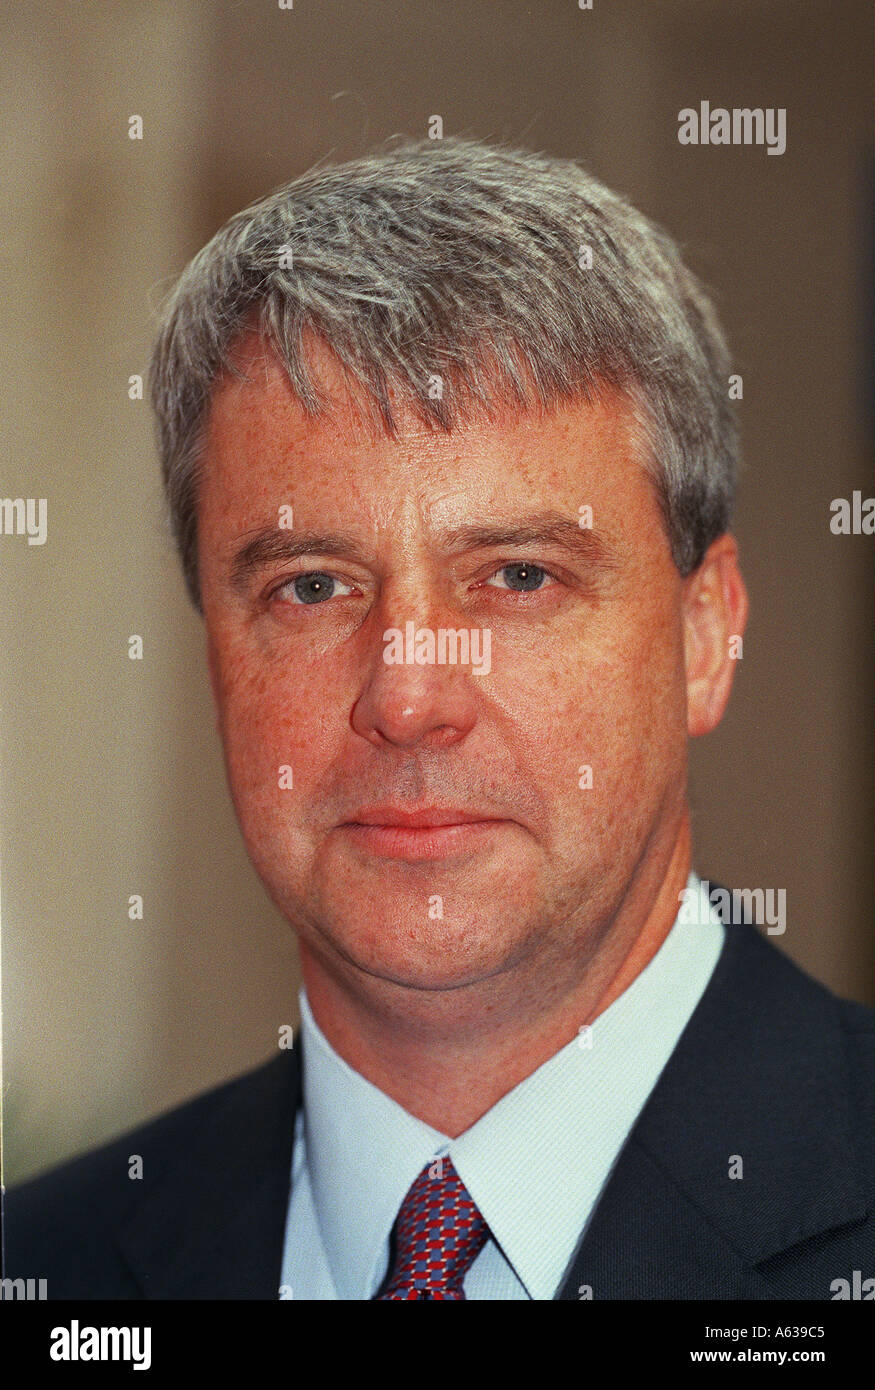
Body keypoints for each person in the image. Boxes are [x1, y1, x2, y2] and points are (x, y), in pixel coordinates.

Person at [4, 138, 873, 1300]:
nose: (407, 697)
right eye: (310, 586)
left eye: (517, 576)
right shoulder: (46, 1270)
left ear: (703, 636)